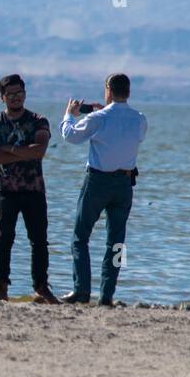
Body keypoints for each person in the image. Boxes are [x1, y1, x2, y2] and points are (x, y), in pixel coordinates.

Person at [59, 73, 147, 306]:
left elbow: (69, 136)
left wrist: (69, 114)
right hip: (124, 184)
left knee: (80, 237)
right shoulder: (139, 119)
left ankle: (81, 291)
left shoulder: (99, 118)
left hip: (98, 181)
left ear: (108, 90)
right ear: (128, 92)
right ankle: (107, 295)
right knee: (117, 242)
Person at [0, 74, 60, 304]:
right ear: (2, 97)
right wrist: (22, 150)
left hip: (34, 190)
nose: (16, 98)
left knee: (39, 241)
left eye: (20, 93)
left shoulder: (38, 120)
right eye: (11, 94)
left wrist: (9, 149)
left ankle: (41, 288)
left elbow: (39, 151)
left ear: (25, 94)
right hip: (5, 190)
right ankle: (1, 287)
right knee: (4, 239)